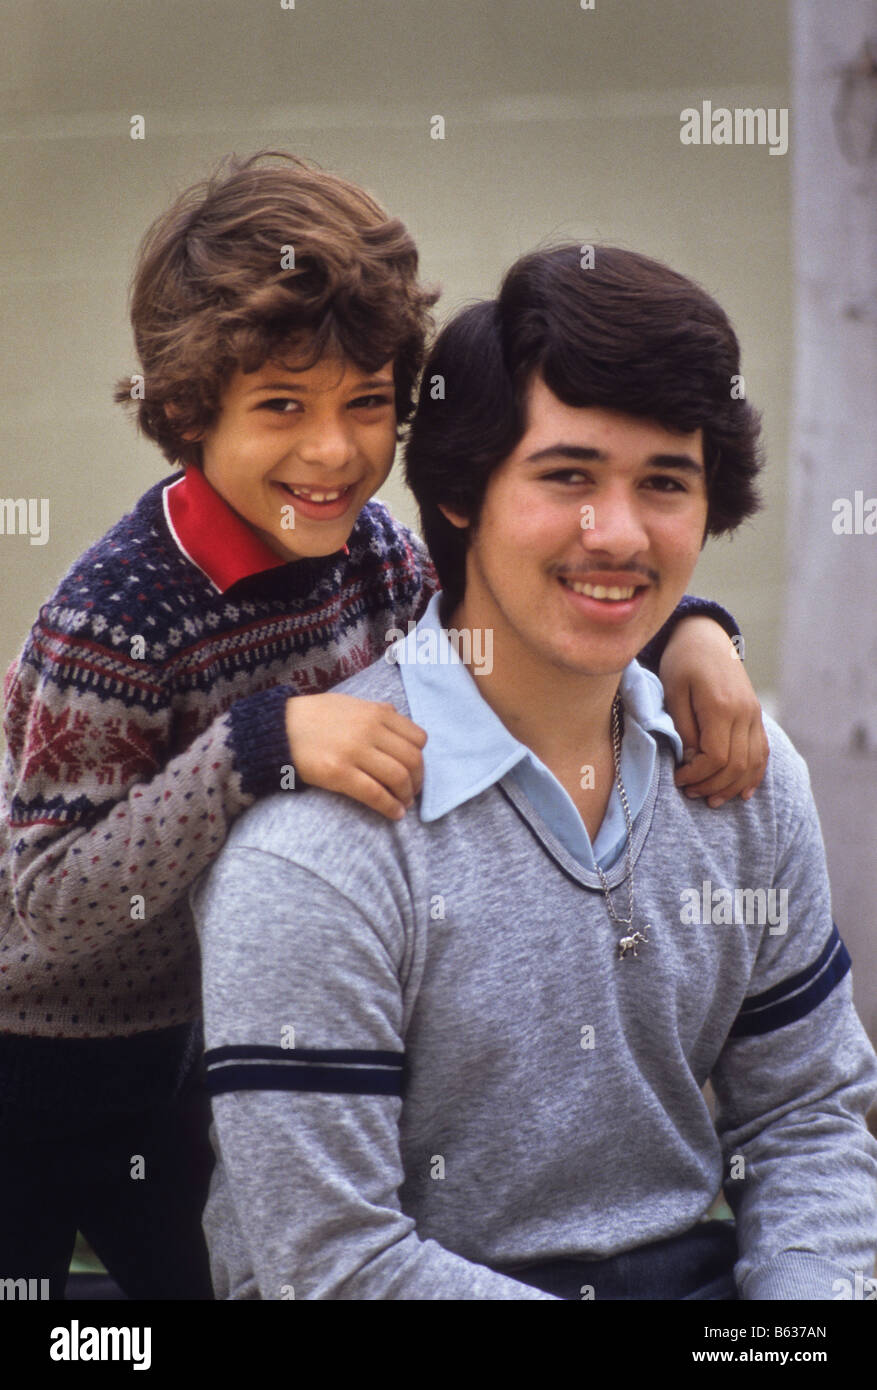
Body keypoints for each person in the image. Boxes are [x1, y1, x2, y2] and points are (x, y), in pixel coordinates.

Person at [0, 157, 761, 1301]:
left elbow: (510, 616)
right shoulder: (116, 618)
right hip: (33, 1071)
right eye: (281, 409)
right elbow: (52, 909)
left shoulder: (376, 552)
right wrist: (253, 750)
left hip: (202, 1058)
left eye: (366, 403)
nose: (335, 453)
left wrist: (690, 631)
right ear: (187, 412)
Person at [194, 243, 877, 1301]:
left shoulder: (741, 772)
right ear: (463, 492)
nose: (616, 533)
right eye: (566, 478)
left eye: (664, 482)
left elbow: (805, 1115)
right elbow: (332, 1267)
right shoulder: (318, 847)